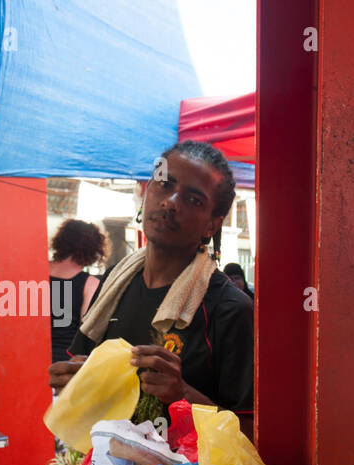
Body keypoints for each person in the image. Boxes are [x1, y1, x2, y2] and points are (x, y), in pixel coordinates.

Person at [47, 142, 254, 418]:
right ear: (147, 191)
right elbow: (87, 378)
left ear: (212, 224)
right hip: (104, 459)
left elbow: (249, 433)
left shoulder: (230, 309)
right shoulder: (113, 283)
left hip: (188, 463)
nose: (170, 202)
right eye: (164, 185)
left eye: (193, 200)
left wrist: (183, 395)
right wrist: (78, 382)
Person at [48, 219, 106, 363]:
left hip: (29, 353)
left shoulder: (34, 269)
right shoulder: (90, 283)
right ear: (93, 249)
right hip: (64, 362)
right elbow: (88, 328)